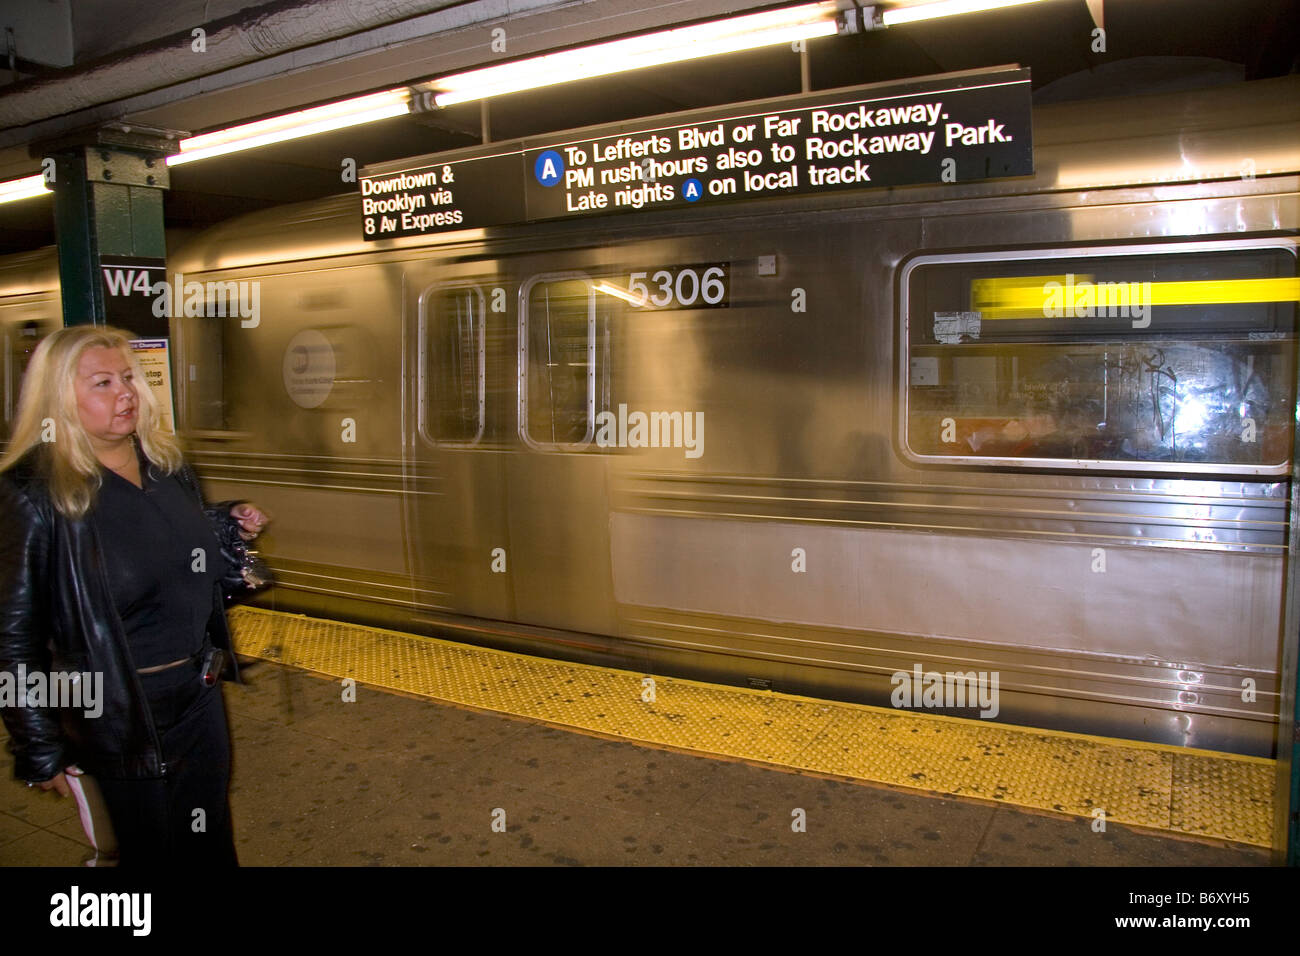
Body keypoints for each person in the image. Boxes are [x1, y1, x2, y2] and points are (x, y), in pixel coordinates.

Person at [0, 324, 269, 867]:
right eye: (102, 382)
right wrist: (38, 744)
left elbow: (179, 567)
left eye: (128, 378)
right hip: (118, 713)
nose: (125, 393)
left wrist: (226, 534)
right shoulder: (33, 494)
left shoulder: (167, 468)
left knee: (211, 841)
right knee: (151, 853)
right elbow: (12, 634)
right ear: (59, 399)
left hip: (197, 693)